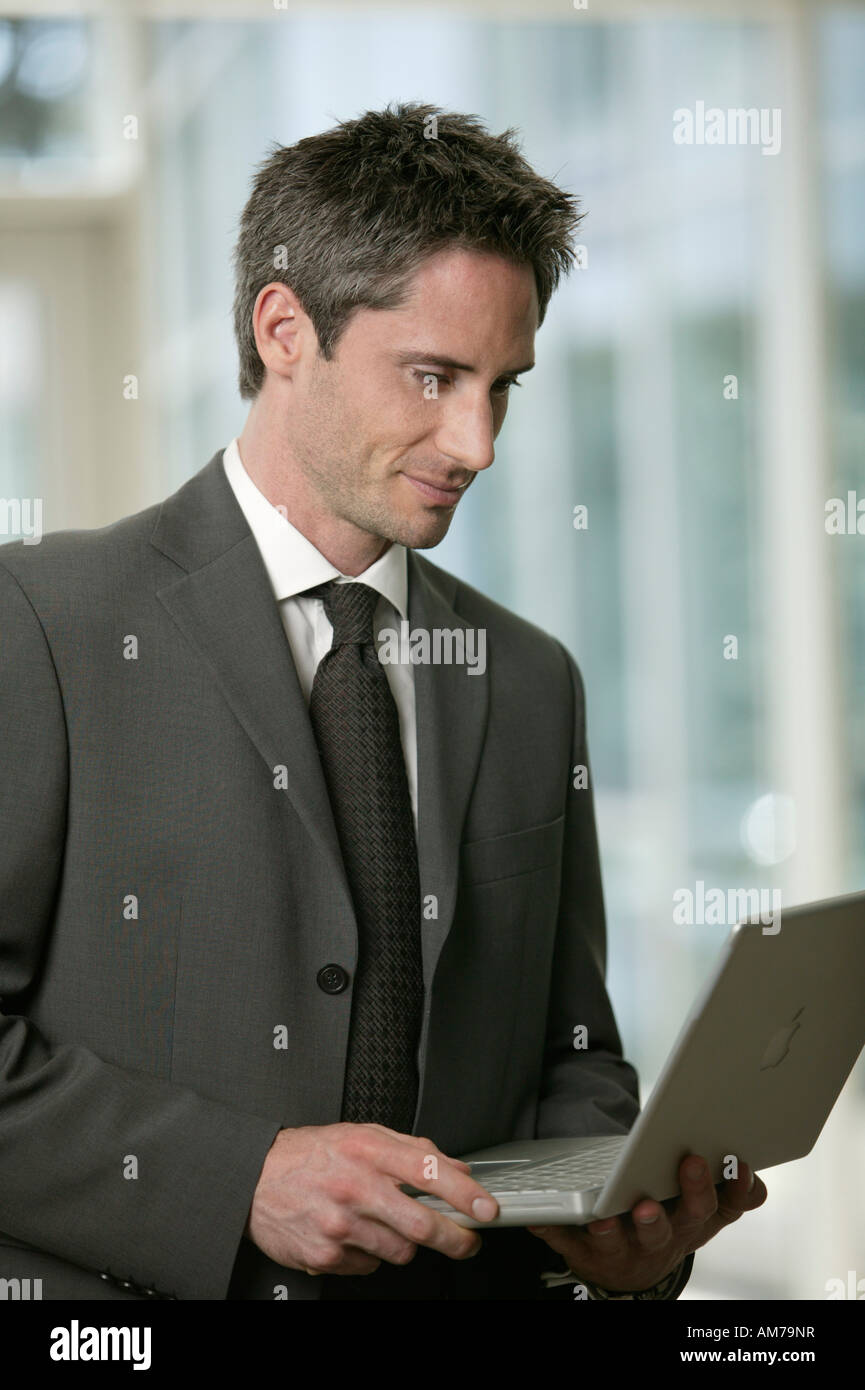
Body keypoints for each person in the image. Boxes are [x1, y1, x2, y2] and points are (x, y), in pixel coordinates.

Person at [0, 102, 766, 1302]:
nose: (477, 443)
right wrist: (235, 1176)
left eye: (501, 385)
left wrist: (619, 1220)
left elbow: (570, 1055)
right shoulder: (41, 624)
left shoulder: (526, 677)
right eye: (432, 375)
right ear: (285, 327)